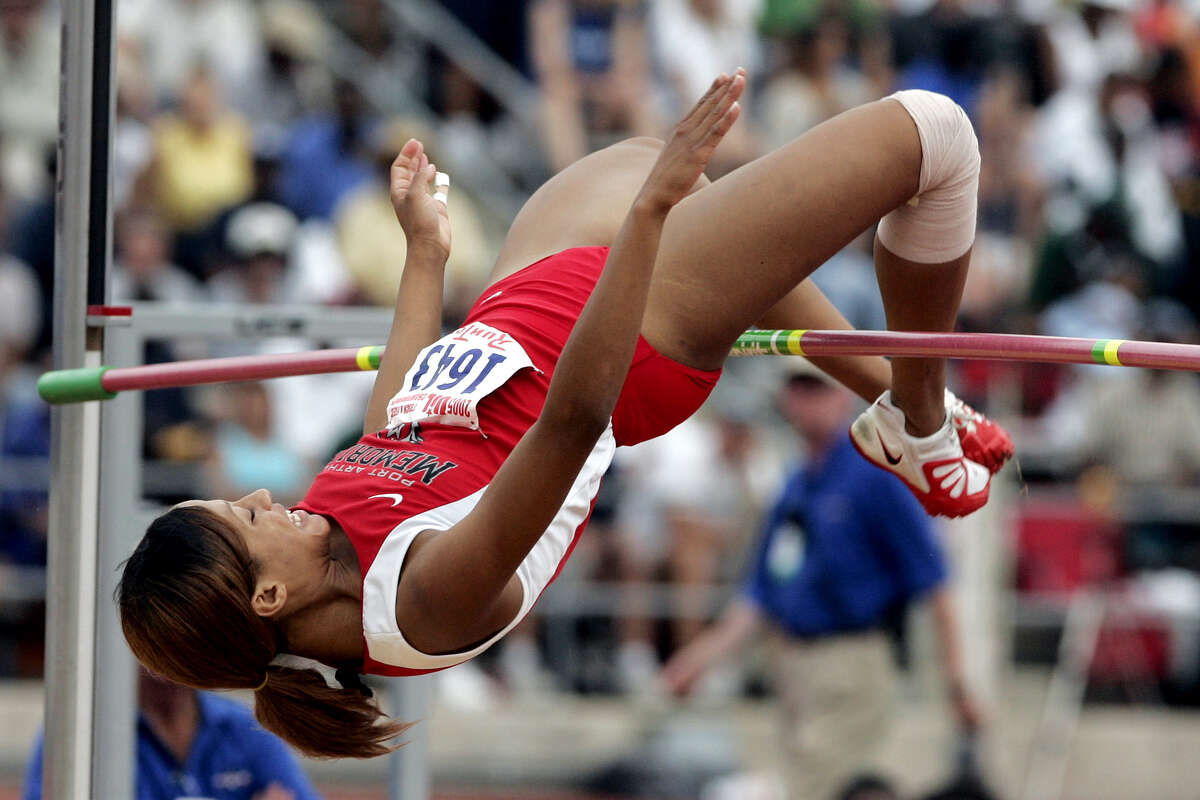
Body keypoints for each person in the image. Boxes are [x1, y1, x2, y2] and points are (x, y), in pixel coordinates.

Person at [117, 71, 1013, 758]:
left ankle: (894, 407)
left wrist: (425, 256)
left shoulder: (316, 542)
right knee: (935, 135)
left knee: (633, 156)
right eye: (245, 518)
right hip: (632, 344)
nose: (265, 500)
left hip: (525, 300)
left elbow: (394, 424)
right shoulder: (424, 601)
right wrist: (650, 221)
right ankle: (922, 415)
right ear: (267, 596)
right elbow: (573, 419)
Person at [660, 365, 983, 799]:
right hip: (793, 667)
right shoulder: (796, 484)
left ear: (843, 396)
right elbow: (761, 592)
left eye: (817, 388)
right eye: (797, 388)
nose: (805, 400)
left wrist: (957, 682)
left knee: (811, 787)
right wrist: (697, 660)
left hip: (851, 661)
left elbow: (934, 581)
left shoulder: (876, 477)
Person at [22, 668, 320, 800]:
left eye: (182, 638)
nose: (167, 662)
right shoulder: (79, 734)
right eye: (153, 638)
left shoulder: (247, 727)